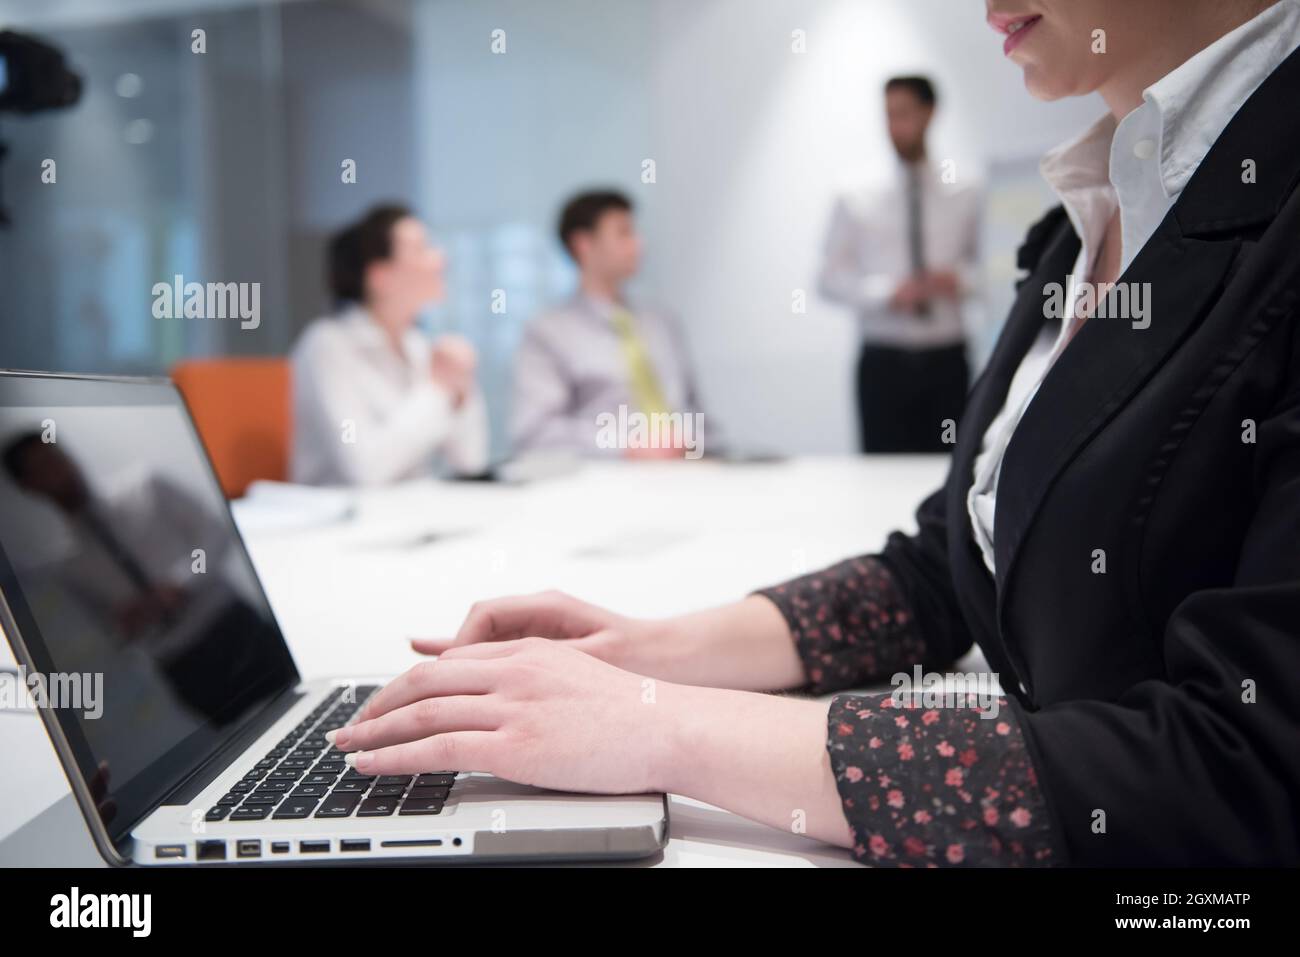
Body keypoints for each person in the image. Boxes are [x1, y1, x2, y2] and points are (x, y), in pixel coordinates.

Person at [323, 0, 1300, 866]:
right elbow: (944, 574)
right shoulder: (1087, 215)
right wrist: (644, 653)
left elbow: (1246, 773)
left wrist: (664, 728)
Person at [820, 75, 982, 453]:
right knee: (881, 476)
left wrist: (958, 282)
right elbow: (829, 279)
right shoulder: (854, 192)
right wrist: (887, 293)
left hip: (948, 360)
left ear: (930, 114)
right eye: (889, 115)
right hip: (883, 364)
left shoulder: (966, 189)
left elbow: (996, 272)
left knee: (951, 469)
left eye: (905, 113)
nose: (895, 126)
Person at [290, 204, 489, 486]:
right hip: (343, 520)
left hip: (408, 514)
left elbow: (470, 463)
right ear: (379, 276)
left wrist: (460, 393)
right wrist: (437, 389)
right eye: (422, 249)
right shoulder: (326, 346)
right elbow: (366, 472)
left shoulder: (419, 346)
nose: (440, 258)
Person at [511, 190, 716, 459]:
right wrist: (626, 447)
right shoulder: (548, 332)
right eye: (624, 233)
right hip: (606, 482)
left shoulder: (662, 323)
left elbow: (698, 416)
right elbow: (535, 434)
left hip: (688, 473)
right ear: (583, 244)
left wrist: (693, 442)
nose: (638, 244)